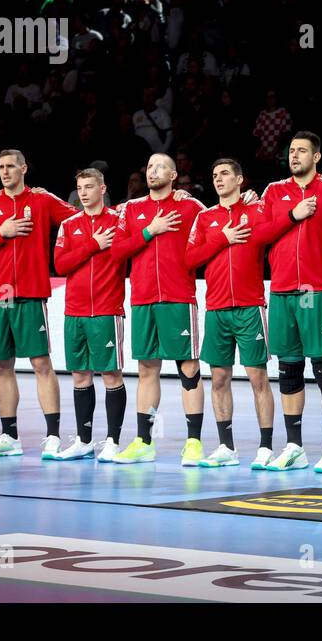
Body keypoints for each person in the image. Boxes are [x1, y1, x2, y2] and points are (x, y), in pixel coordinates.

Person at [0, 150, 76, 457]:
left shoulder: (42, 200)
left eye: (11, 166)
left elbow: (81, 218)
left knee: (41, 364)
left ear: (24, 168)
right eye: (1, 166)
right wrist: (0, 233)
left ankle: (52, 436)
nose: (5, 171)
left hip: (30, 293)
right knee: (2, 366)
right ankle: (9, 437)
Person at [260, 132, 322, 472]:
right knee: (288, 368)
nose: (294, 155)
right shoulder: (274, 191)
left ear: (316, 157)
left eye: (302, 151)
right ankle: (294, 446)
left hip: (315, 290)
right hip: (282, 291)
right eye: (291, 150)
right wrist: (292, 215)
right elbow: (259, 234)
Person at [186, 158, 293, 469]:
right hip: (217, 309)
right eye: (214, 175)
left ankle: (265, 447)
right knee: (219, 379)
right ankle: (226, 446)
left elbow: (278, 224)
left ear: (239, 179)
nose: (218, 179)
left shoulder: (257, 210)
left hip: (249, 308)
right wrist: (223, 238)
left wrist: (258, 203)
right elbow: (189, 259)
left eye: (224, 174)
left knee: (258, 378)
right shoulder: (206, 218)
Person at [109, 153, 208, 465]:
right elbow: (117, 251)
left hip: (178, 297)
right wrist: (149, 230)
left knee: (188, 368)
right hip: (143, 298)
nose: (152, 171)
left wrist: (247, 197)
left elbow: (221, 216)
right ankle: (144, 441)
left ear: (174, 175)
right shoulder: (132, 209)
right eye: (149, 166)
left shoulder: (190, 207)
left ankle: (194, 443)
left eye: (160, 166)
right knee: (146, 369)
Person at [52, 168, 128, 461]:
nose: (83, 193)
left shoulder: (119, 220)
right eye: (80, 188)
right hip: (74, 311)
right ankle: (84, 441)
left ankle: (112, 441)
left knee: (110, 374)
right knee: (80, 375)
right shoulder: (69, 225)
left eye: (89, 187)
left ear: (102, 188)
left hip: (107, 310)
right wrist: (93, 244)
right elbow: (60, 265)